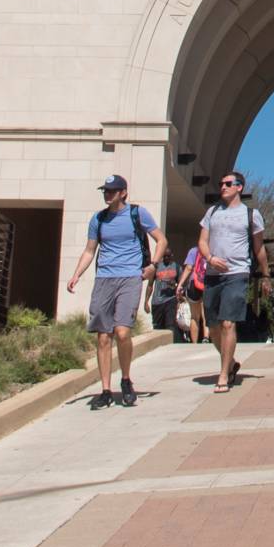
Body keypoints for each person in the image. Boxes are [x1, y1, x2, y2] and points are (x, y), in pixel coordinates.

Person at [64, 173, 161, 405]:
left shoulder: (137, 214)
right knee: (103, 336)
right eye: (105, 191)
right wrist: (77, 274)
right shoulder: (98, 219)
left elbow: (161, 239)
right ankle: (105, 390)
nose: (107, 195)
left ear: (123, 193)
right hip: (104, 278)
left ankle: (126, 379)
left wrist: (153, 266)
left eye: (112, 191)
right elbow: (90, 251)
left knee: (123, 332)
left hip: (130, 277)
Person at [197, 170, 268, 390]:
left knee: (229, 323)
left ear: (239, 187)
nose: (223, 187)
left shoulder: (251, 215)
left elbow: (259, 247)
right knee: (214, 327)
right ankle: (231, 362)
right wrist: (210, 258)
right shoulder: (212, 212)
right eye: (221, 183)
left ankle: (223, 374)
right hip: (213, 275)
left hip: (237, 273)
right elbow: (202, 241)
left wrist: (265, 275)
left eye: (228, 183)